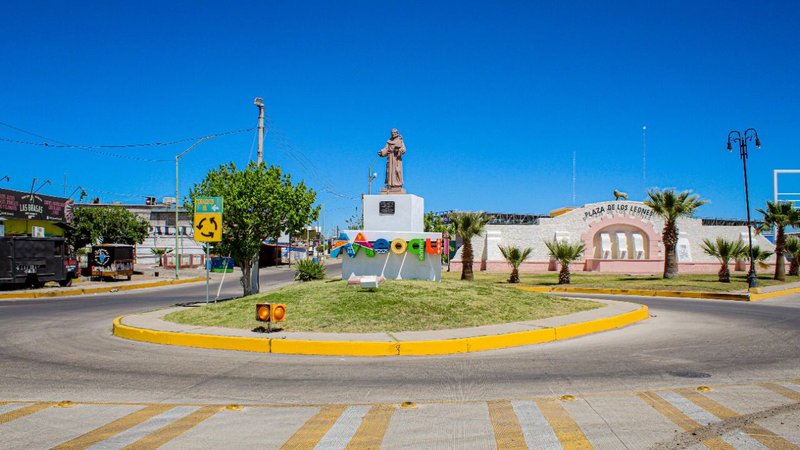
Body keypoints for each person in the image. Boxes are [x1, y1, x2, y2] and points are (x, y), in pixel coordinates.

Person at [377, 128, 406, 193]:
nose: (393, 134)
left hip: (396, 158)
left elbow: (403, 148)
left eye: (394, 133)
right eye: (392, 133)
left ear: (397, 133)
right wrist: (381, 152)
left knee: (397, 171)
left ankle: (397, 185)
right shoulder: (389, 141)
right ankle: (389, 185)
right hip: (390, 158)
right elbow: (386, 149)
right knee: (389, 172)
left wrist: (399, 150)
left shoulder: (400, 140)